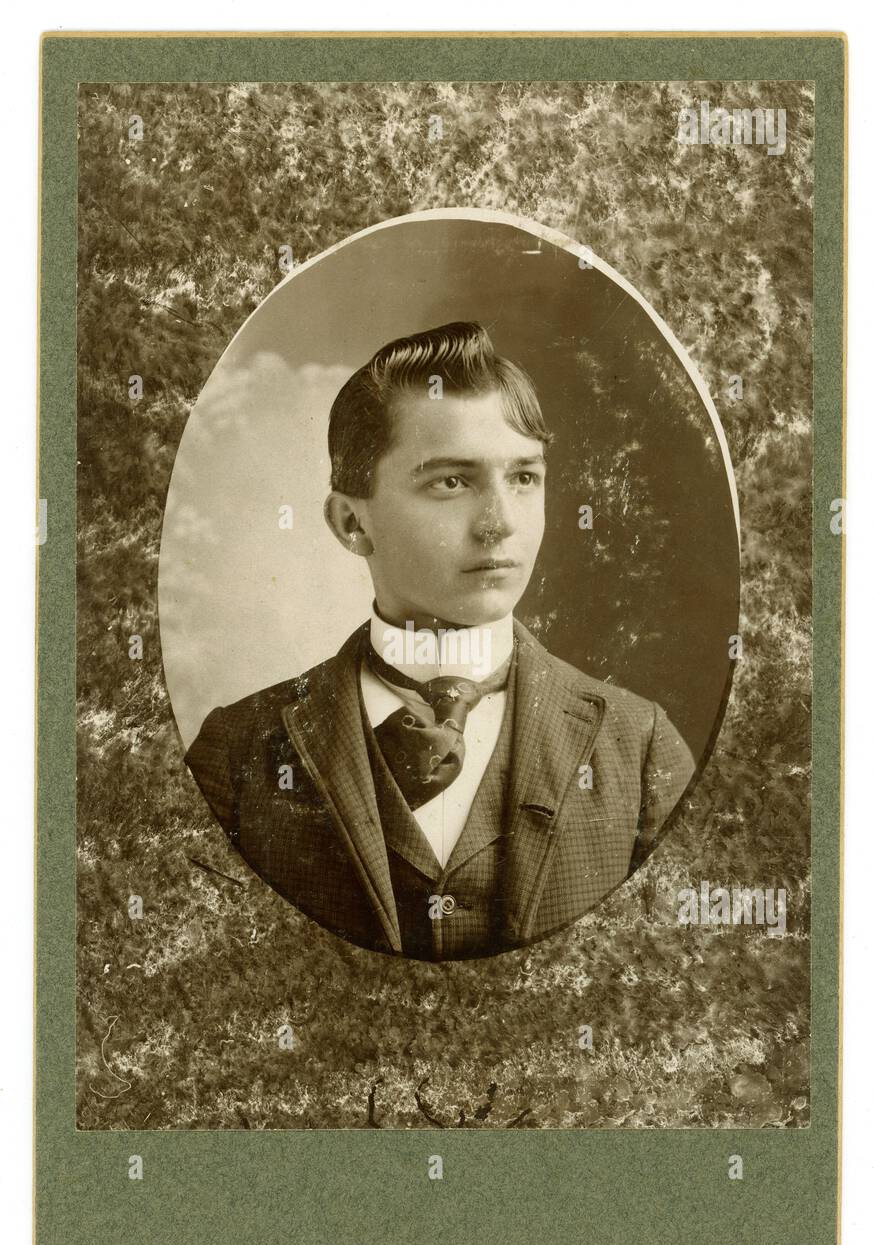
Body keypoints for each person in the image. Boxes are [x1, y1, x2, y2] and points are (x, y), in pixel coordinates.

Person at [184, 321, 695, 960]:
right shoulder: (237, 754)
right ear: (352, 521)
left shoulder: (638, 746)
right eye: (451, 482)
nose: (500, 524)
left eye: (524, 478)